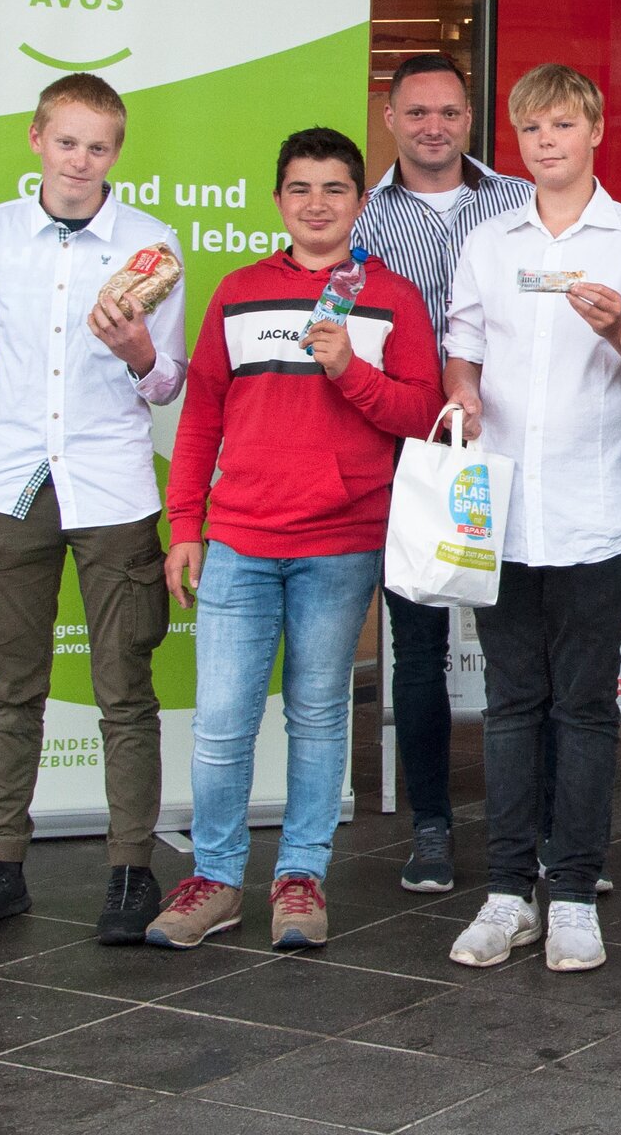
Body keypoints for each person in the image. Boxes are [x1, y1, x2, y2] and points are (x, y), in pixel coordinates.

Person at [146, 128, 443, 951]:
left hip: (343, 544)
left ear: (360, 201)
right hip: (239, 538)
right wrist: (184, 526)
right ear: (279, 200)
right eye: (301, 189)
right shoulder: (239, 291)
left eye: (335, 189)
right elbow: (201, 413)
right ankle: (215, 878)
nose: (317, 204)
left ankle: (301, 877)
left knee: (317, 716)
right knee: (221, 722)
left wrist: (349, 367)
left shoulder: (394, 297)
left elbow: (423, 417)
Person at [441, 64, 621, 974]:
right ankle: (509, 891)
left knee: (583, 708)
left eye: (561, 126)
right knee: (510, 705)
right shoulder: (488, 239)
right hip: (501, 510)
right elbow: (461, 348)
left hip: (600, 511)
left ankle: (576, 892)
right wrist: (463, 398)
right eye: (530, 130)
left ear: (594, 131)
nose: (545, 143)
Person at [0, 74, 188, 943]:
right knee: (13, 687)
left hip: (111, 484)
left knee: (126, 687)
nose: (83, 160)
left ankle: (130, 870)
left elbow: (165, 387)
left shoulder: (151, 245)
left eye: (101, 146)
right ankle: (2, 862)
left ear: (118, 153)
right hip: (9, 483)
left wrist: (139, 349)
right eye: (68, 141)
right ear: (37, 139)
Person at [352, 52, 534, 894]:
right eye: (417, 112)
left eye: (450, 113)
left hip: (513, 450)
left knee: (518, 656)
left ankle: (529, 834)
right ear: (391, 118)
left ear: (472, 119)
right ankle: (431, 826)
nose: (434, 127)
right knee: (419, 651)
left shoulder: (517, 201)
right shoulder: (360, 219)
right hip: (403, 453)